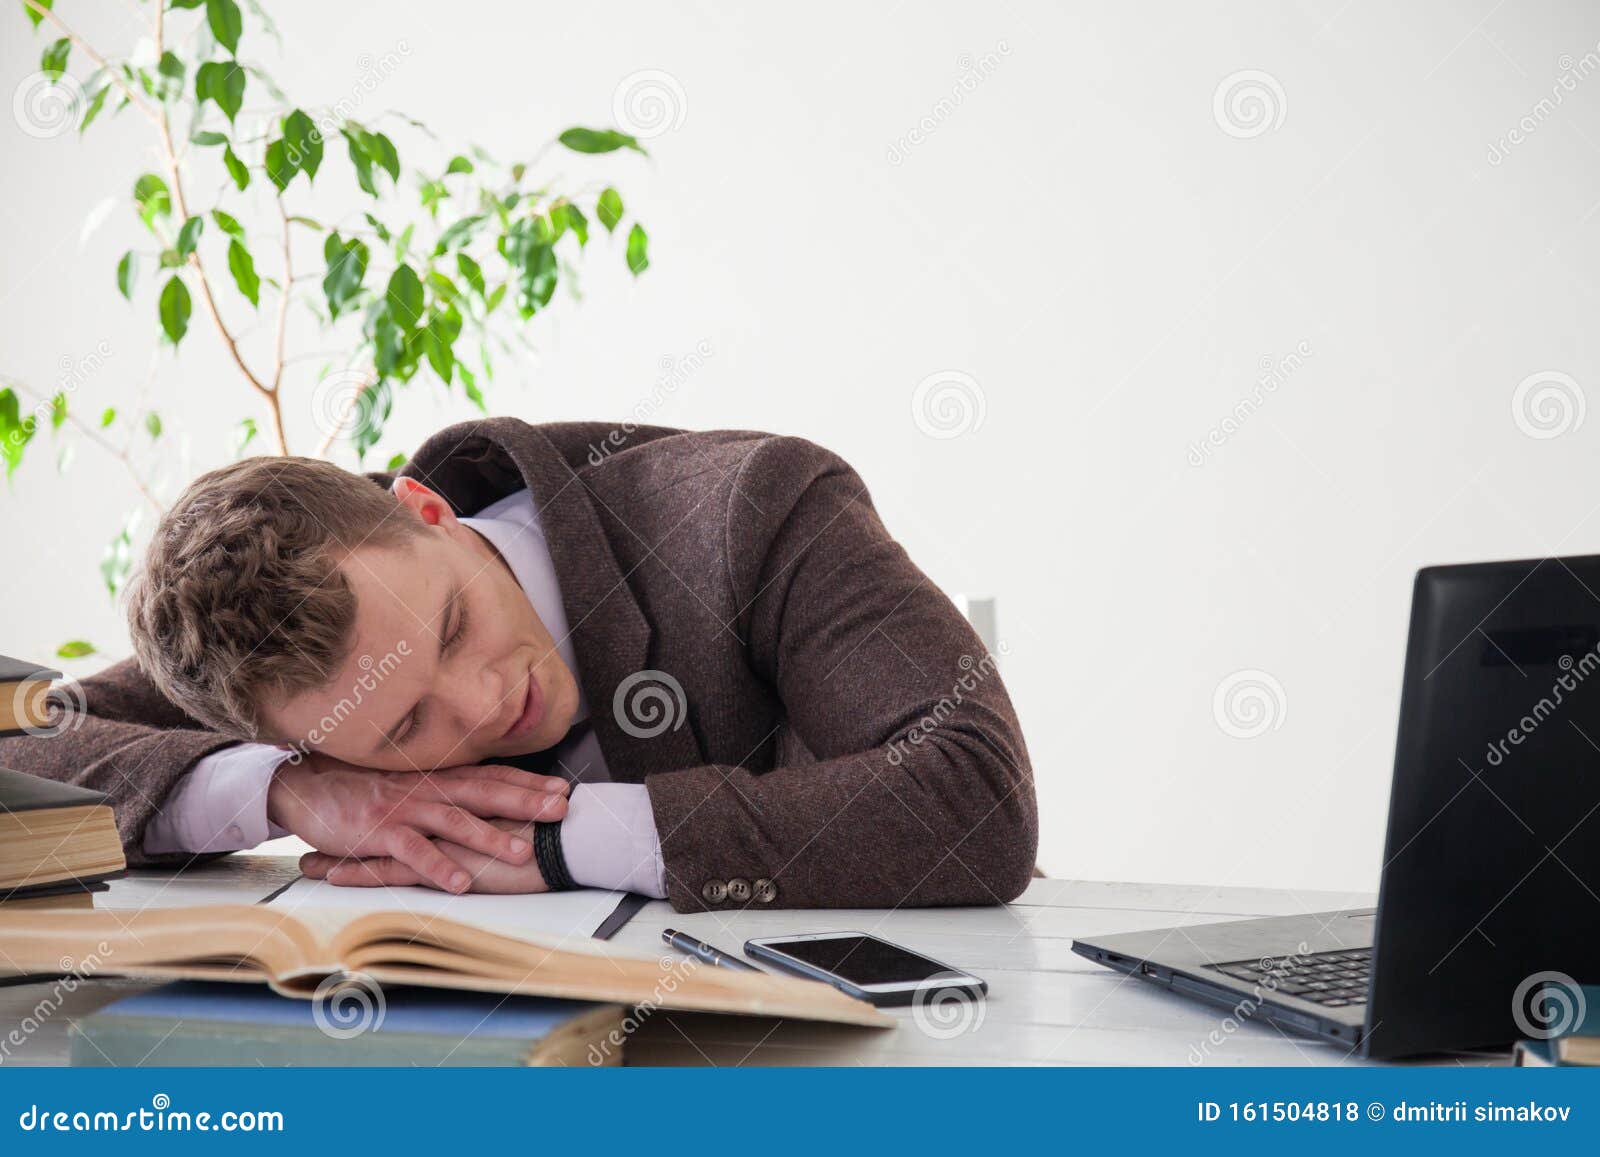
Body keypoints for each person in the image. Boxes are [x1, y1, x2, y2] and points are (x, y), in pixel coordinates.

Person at [1, 419, 1036, 911]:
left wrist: (563, 841)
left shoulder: (756, 506)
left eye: (454, 627)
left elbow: (976, 800)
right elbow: (19, 731)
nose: (488, 698)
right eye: (402, 726)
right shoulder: (282, 662)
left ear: (427, 510)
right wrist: (291, 791)